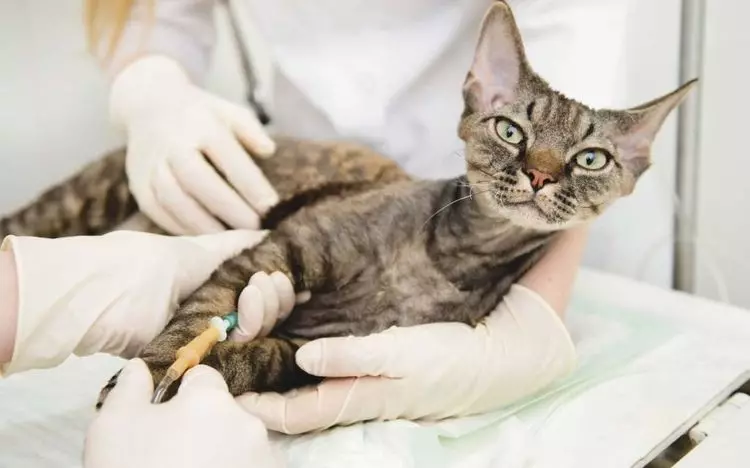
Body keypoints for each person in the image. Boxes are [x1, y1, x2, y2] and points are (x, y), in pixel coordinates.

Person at [77, 0, 617, 434]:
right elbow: (158, 13)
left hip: (489, 204)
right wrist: (150, 87)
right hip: (296, 171)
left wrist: (534, 318)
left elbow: (573, 65)